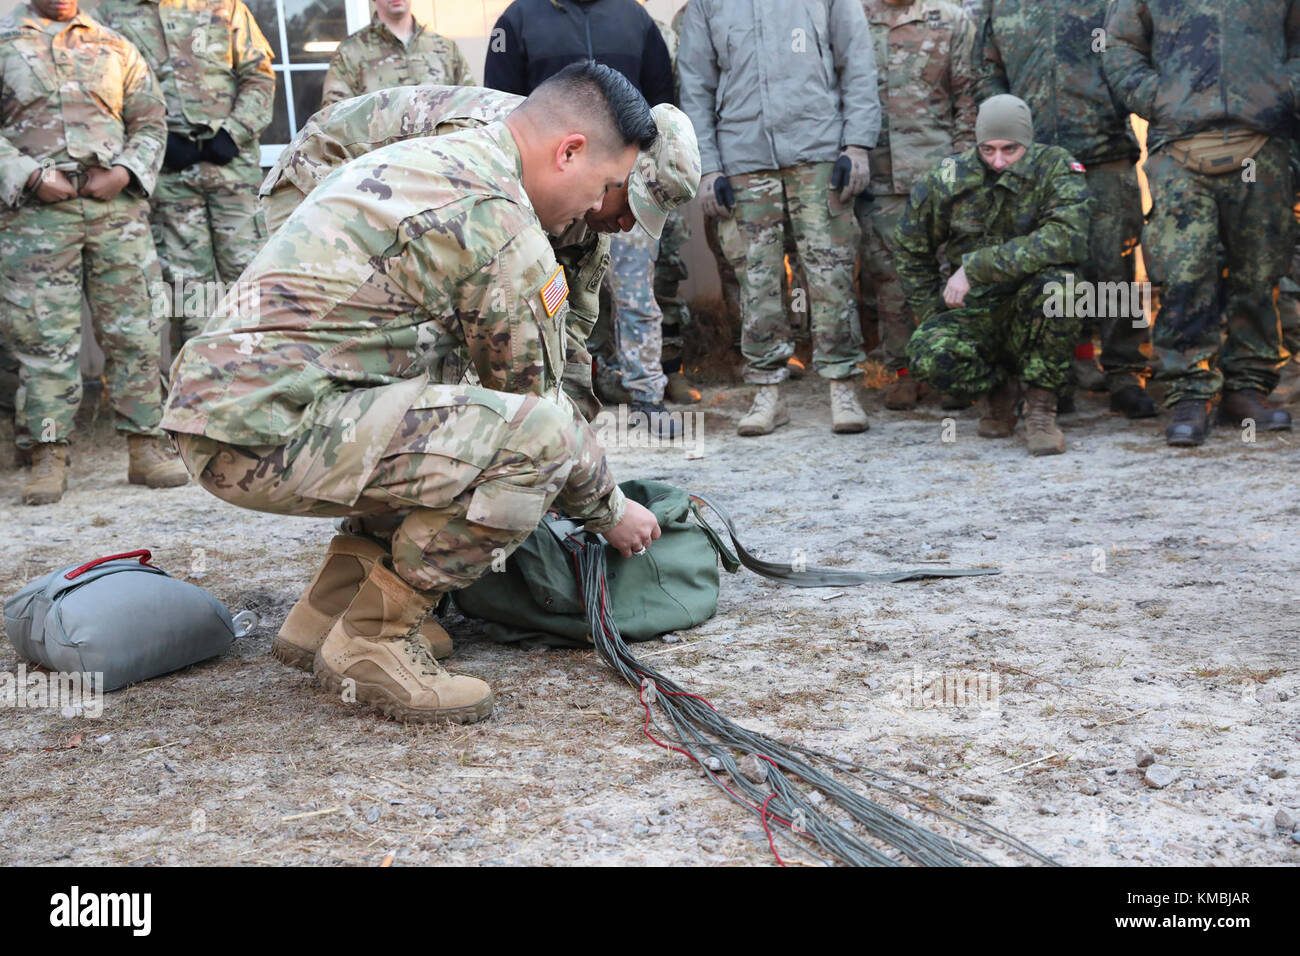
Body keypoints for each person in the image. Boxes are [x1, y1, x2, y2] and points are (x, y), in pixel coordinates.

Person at [162, 63, 665, 725]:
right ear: (568, 151)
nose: (596, 213)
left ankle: (326, 613)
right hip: (261, 431)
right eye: (604, 187)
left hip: (227, 410)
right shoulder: (501, 225)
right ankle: (376, 639)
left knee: (444, 411)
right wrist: (611, 511)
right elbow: (540, 414)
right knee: (534, 438)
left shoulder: (444, 155)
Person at [257, 83, 700, 429]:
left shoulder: (585, 215)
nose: (626, 226)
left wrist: (568, 459)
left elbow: (566, 342)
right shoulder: (497, 152)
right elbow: (477, 318)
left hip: (406, 209)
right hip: (321, 175)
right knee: (425, 352)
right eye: (628, 208)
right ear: (617, 168)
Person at [0, 0, 188, 505]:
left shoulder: (116, 45)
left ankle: (146, 445)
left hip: (115, 212)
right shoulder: (4, 37)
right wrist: (31, 176)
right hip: (35, 218)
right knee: (41, 338)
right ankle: (46, 452)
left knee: (137, 329)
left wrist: (125, 172)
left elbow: (150, 121)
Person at [679, 0, 881, 435]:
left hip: (819, 150)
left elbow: (858, 63)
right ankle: (768, 390)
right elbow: (695, 85)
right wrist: (709, 167)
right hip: (744, 157)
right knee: (757, 281)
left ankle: (842, 385)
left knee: (831, 275)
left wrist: (858, 144)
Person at [1104, 0, 1298, 445]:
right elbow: (1119, 45)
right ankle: (1190, 391)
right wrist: (1158, 97)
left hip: (1264, 140)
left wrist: (1285, 89)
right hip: (1180, 147)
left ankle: (1247, 388)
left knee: (1260, 272)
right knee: (1182, 271)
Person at [971, 0, 1155, 419]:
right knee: (1046, 270)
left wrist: (1115, 106)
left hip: (1104, 152)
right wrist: (1008, 136)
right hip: (1035, 163)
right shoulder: (1000, 6)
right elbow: (987, 71)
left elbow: (1136, 57)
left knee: (1114, 266)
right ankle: (1057, 377)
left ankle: (1125, 372)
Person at [898, 95, 1091, 456]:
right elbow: (911, 248)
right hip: (976, 313)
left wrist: (976, 267)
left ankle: (1041, 408)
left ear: (1027, 142)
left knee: (1065, 289)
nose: (998, 161)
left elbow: (1069, 239)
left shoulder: (1055, 166)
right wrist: (934, 315)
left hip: (1032, 308)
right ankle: (999, 391)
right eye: (987, 150)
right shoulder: (949, 176)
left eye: (1010, 149)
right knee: (927, 354)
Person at [97, 0, 274, 347]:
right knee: (189, 295)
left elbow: (259, 75)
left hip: (231, 172)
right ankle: (200, 391)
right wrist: (155, 143)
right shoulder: (111, 14)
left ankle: (263, 385)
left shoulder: (223, 6)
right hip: (170, 178)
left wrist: (234, 132)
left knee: (252, 282)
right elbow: (104, 96)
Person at [860, 0, 978, 411]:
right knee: (889, 278)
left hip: (937, 171)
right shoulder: (854, 17)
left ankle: (947, 369)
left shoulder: (951, 19)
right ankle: (904, 371)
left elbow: (968, 95)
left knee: (944, 273)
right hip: (877, 172)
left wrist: (965, 166)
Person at [319, 0, 474, 108]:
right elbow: (335, 120)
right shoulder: (350, 53)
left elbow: (472, 105)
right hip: (380, 154)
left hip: (439, 153)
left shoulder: (446, 49)